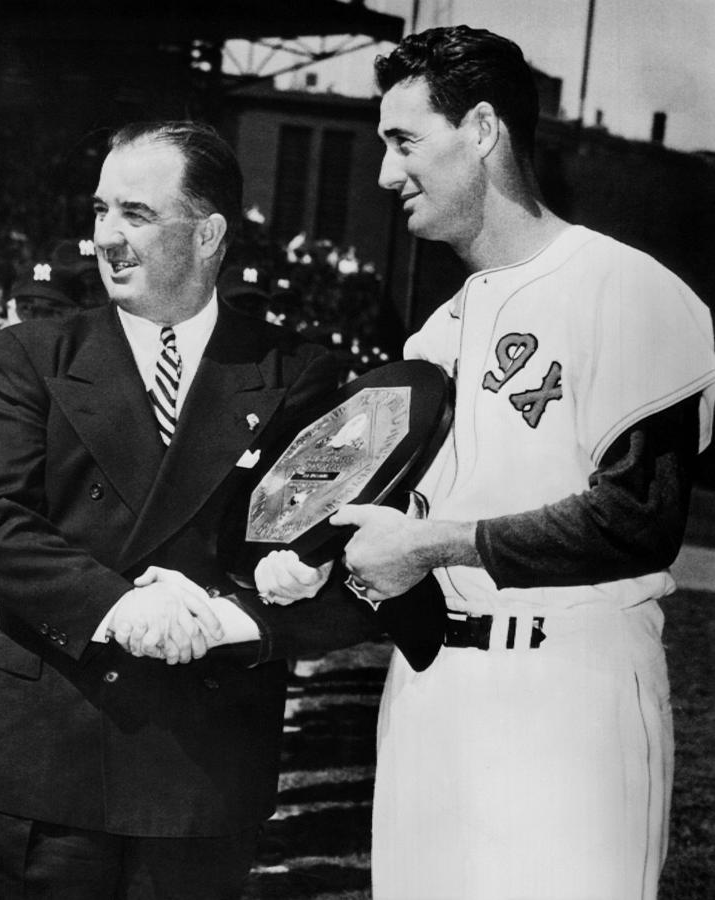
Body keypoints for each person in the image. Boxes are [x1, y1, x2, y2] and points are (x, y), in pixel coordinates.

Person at [254, 26, 715, 900]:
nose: (386, 174)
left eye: (404, 141)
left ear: (483, 129)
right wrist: (322, 566)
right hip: (433, 685)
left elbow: (637, 520)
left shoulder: (626, 289)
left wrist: (427, 549)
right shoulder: (436, 335)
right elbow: (389, 534)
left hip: (570, 693)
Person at [0, 121, 376, 899]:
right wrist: (117, 606)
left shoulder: (295, 371)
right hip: (55, 753)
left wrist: (226, 617)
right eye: (100, 210)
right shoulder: (35, 354)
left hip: (202, 765)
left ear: (209, 233)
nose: (106, 237)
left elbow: (320, 547)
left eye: (136, 214)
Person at [0, 245, 107, 897]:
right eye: (27, 306)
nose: (33, 318)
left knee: (29, 738)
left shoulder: (62, 363)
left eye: (50, 308)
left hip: (38, 571)